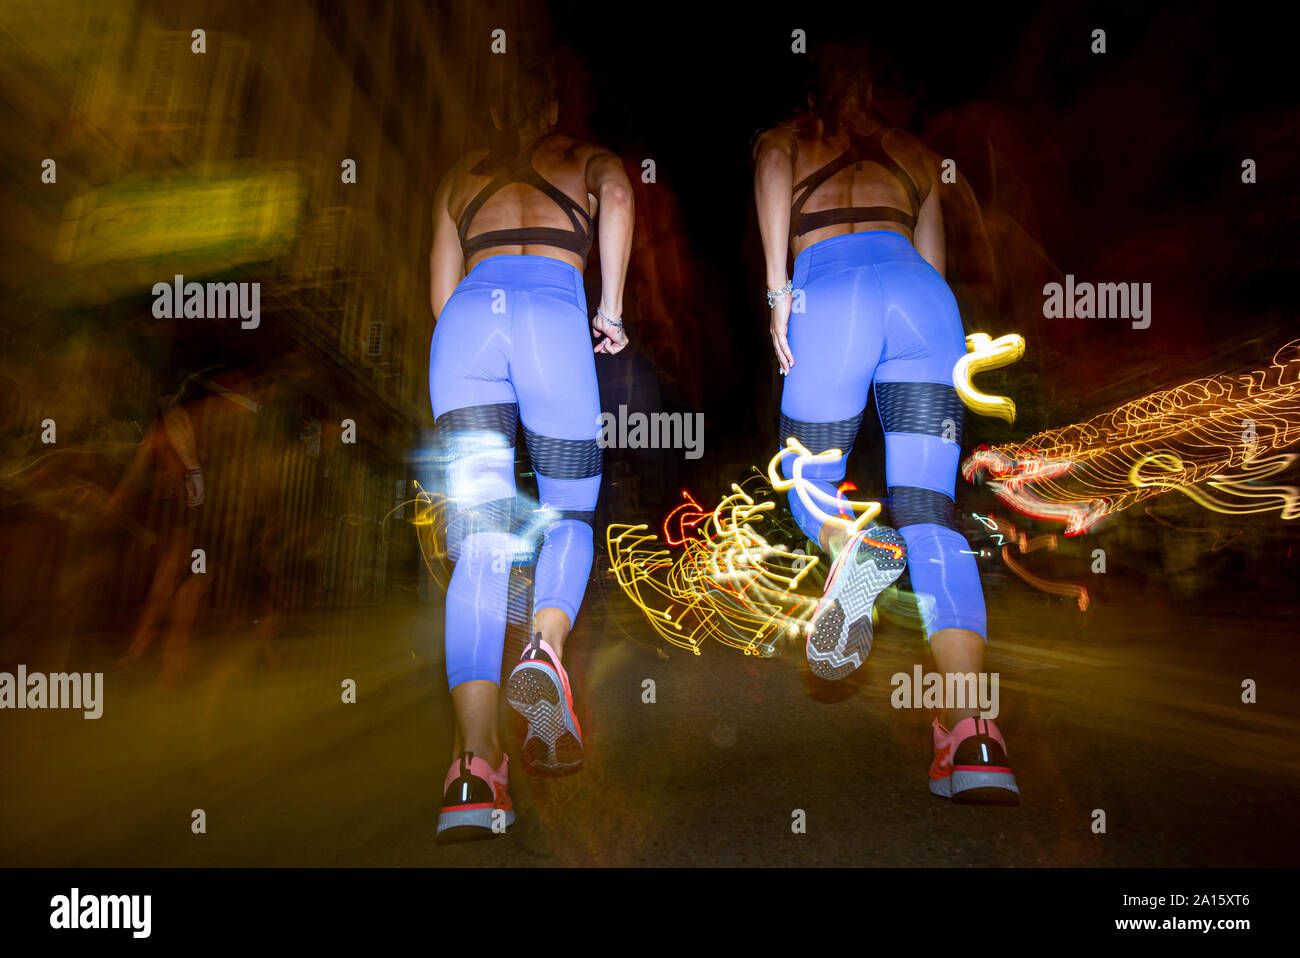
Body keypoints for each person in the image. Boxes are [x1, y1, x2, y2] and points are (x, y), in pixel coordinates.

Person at [752, 50, 1019, 805]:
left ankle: (847, 543)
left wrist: (778, 290)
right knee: (931, 514)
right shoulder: (915, 154)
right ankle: (973, 732)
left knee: (806, 471)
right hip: (922, 302)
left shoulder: (787, 138)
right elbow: (933, 258)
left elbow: (771, 176)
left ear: (814, 90)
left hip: (829, 289)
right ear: (876, 92)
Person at [427, 63, 633, 840]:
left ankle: (472, 769)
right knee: (570, 509)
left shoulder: (458, 178)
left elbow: (441, 297)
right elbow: (619, 198)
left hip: (469, 327)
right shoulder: (584, 157)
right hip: (552, 313)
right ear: (551, 105)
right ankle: (543, 648)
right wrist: (609, 309)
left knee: (479, 538)